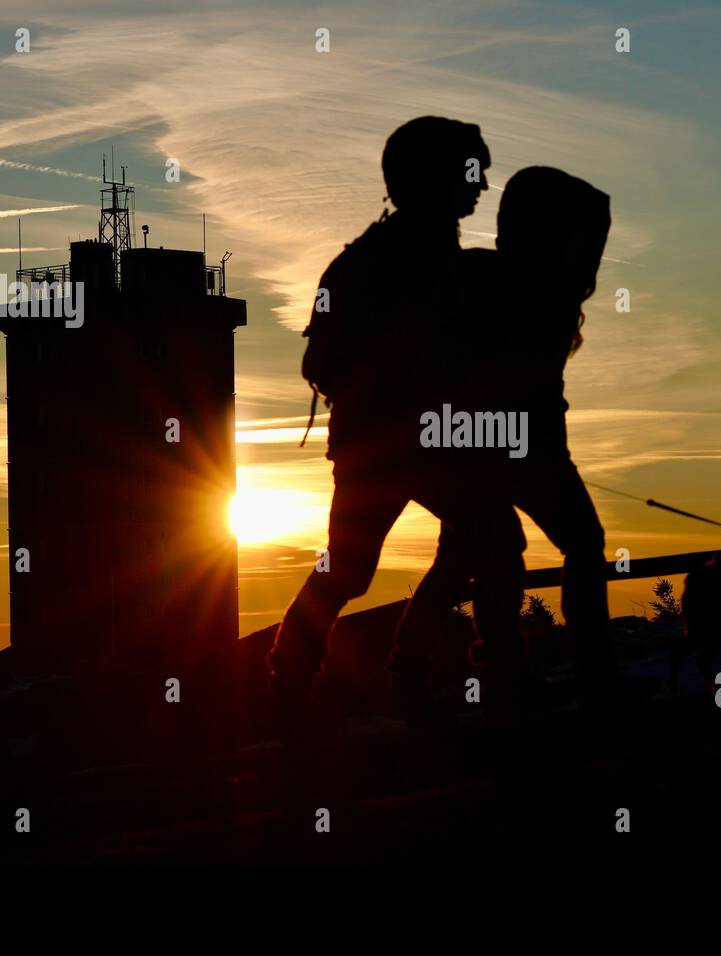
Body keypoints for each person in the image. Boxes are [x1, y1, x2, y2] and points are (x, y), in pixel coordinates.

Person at [266, 117, 526, 731]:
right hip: (394, 446)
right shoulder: (387, 262)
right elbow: (324, 361)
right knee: (378, 564)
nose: (483, 184)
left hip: (399, 444)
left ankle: (324, 680)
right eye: (471, 171)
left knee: (468, 546)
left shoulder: (393, 259)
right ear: (430, 178)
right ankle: (474, 683)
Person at [390, 166, 622, 710]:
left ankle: (459, 669)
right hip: (477, 444)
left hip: (498, 445)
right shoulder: (499, 281)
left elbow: (537, 388)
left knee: (479, 552)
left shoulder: (534, 285)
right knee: (516, 547)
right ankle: (543, 670)